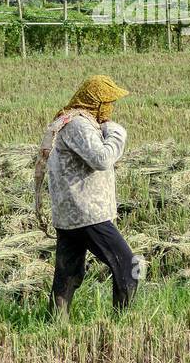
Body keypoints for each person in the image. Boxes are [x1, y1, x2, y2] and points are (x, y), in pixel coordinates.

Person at [36, 75, 139, 315]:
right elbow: (101, 159)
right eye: (108, 102)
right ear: (97, 102)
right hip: (87, 214)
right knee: (128, 265)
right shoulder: (78, 125)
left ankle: (56, 326)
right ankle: (121, 323)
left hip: (69, 213)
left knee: (69, 275)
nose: (111, 109)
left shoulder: (67, 121)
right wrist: (116, 133)